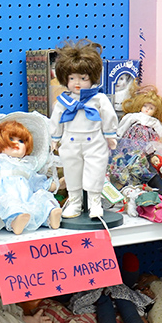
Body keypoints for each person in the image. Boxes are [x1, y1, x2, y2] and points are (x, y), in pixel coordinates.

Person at [49, 40, 118, 219]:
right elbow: (56, 120)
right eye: (72, 78)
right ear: (65, 79)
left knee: (95, 170)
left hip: (94, 141)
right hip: (70, 143)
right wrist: (54, 138)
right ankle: (75, 202)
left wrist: (110, 135)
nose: (77, 83)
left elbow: (109, 116)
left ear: (92, 77)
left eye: (83, 78)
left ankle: (95, 201)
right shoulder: (63, 101)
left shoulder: (99, 99)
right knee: (72, 171)